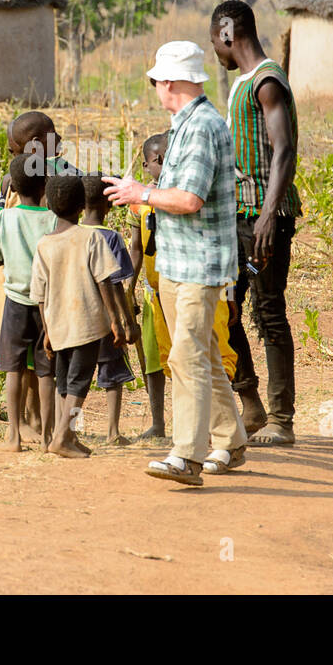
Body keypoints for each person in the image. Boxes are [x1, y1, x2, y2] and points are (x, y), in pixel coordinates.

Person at [105, 41, 246, 485]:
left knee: (186, 357)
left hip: (197, 264)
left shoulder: (201, 127)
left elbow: (189, 198)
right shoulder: (187, 124)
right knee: (199, 354)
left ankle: (186, 454)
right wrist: (140, 192)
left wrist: (139, 193)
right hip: (178, 261)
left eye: (156, 81)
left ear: (168, 82)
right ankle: (231, 438)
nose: (155, 89)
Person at [210, 0, 301, 447]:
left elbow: (284, 151)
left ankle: (282, 419)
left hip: (266, 224)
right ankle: (251, 402)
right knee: (225, 306)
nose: (216, 53)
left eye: (214, 42)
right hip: (241, 220)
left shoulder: (266, 82)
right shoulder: (246, 83)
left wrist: (268, 214)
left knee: (268, 313)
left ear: (227, 34)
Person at [128, 132, 239, 442]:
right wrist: (130, 286)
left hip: (201, 288)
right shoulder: (144, 202)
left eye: (167, 157)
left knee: (209, 357)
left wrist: (230, 293)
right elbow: (137, 246)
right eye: (156, 160)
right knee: (172, 361)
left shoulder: (195, 196)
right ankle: (193, 431)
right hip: (159, 294)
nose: (162, 164)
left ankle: (216, 431)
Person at [30, 174, 131, 459]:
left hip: (59, 325)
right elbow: (105, 281)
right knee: (78, 383)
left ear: (49, 205)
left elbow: (39, 294)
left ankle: (69, 435)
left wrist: (47, 331)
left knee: (64, 382)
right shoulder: (91, 237)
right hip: (86, 323)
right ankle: (63, 436)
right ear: (81, 207)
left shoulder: (44, 244)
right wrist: (115, 320)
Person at [0, 154, 56, 451]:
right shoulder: (53, 219)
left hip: (14, 302)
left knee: (13, 369)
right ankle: (48, 437)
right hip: (46, 304)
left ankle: (13, 435)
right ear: (45, 185)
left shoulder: (5, 218)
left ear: (12, 187)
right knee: (46, 371)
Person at [79, 174, 139, 445]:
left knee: (74, 376)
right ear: (109, 205)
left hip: (77, 318)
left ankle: (66, 428)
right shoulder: (112, 238)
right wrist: (128, 322)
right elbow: (118, 285)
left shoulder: (70, 234)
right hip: (107, 320)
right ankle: (113, 431)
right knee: (113, 375)